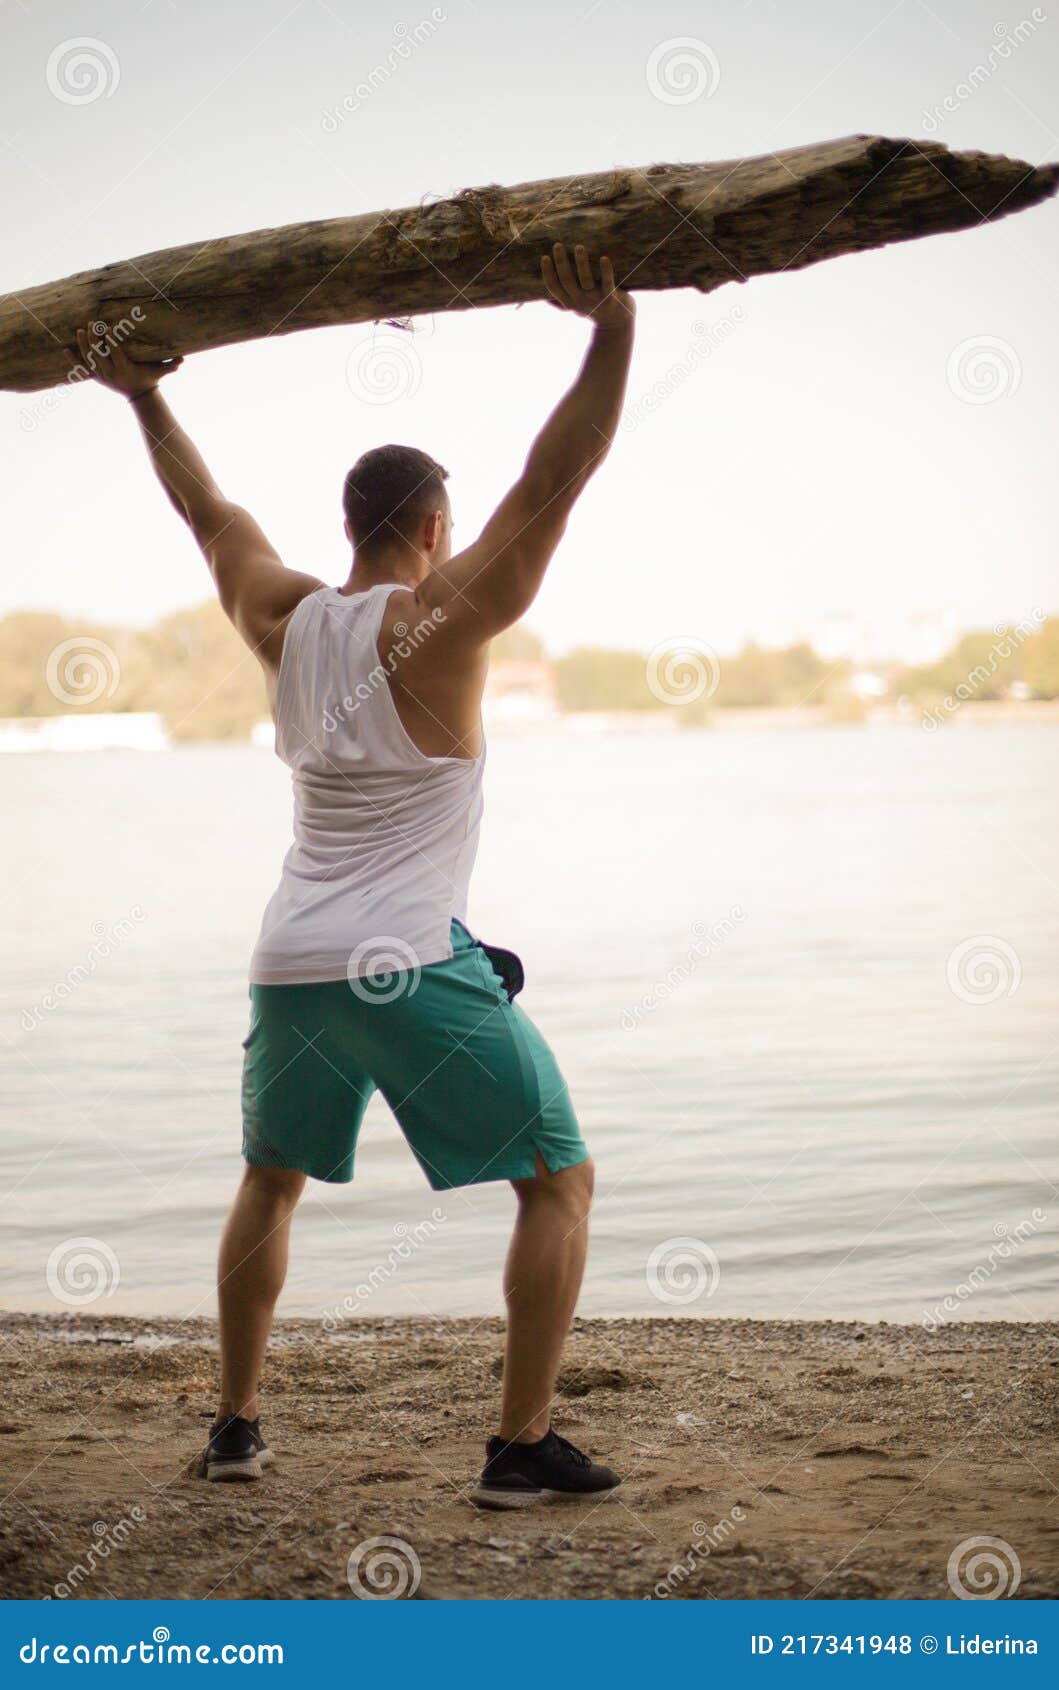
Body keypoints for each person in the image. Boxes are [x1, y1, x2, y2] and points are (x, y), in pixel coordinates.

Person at [72, 243, 635, 1509]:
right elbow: (562, 475)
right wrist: (609, 327)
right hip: (405, 966)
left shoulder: (280, 616)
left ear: (349, 525)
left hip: (289, 961)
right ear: (434, 530)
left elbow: (206, 516)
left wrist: (144, 397)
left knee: (269, 1182)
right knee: (558, 1181)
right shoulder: (441, 621)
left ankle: (233, 1425)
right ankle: (519, 1445)